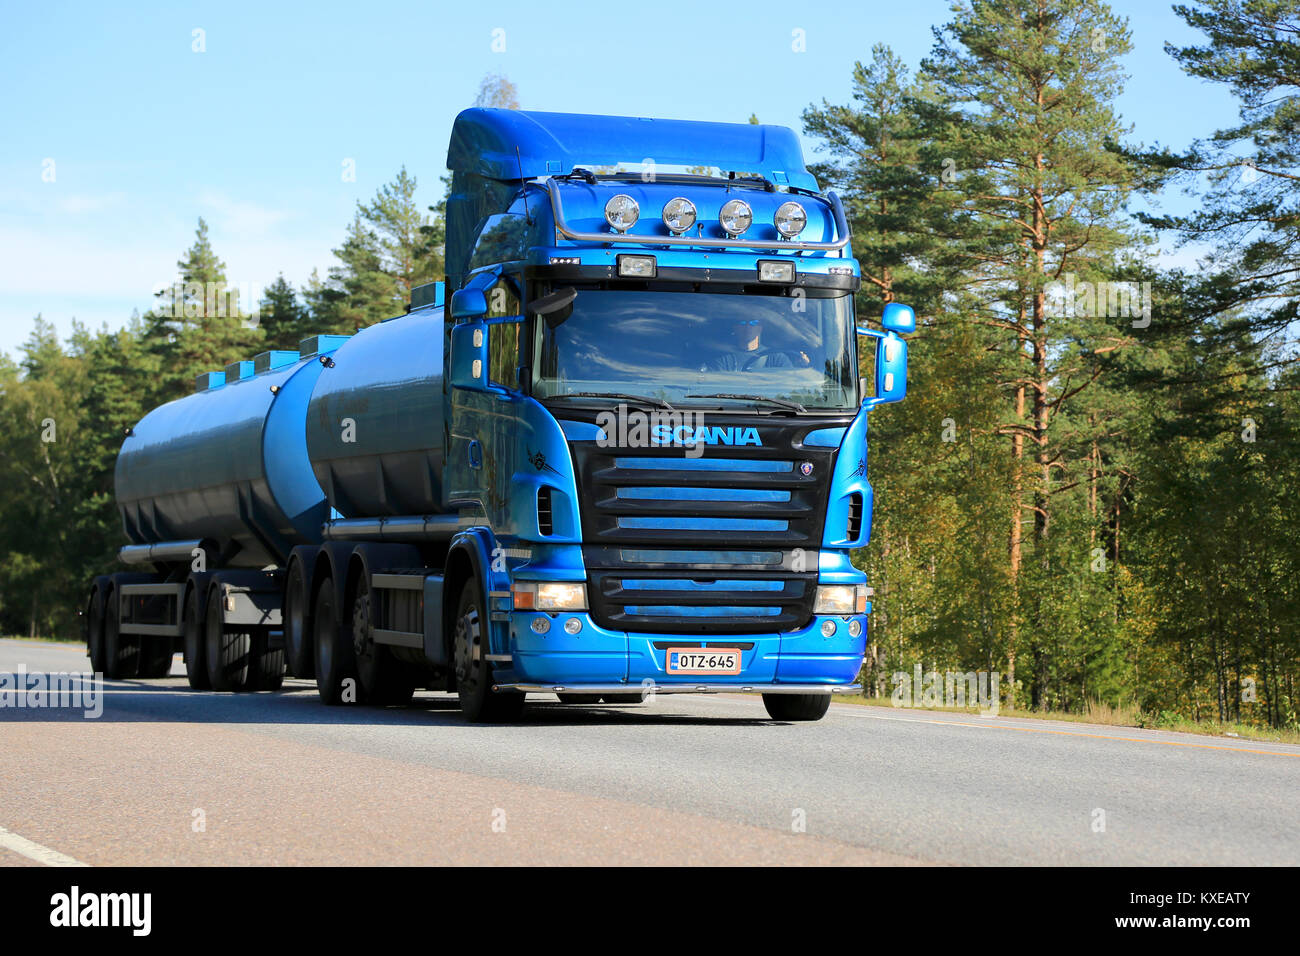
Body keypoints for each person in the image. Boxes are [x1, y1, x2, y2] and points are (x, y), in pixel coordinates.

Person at [707, 317, 808, 371]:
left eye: (753, 323)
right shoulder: (722, 359)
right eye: (742, 323)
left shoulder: (777, 358)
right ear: (735, 328)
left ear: (761, 328)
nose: (748, 327)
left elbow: (789, 384)